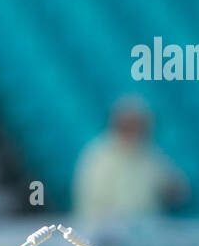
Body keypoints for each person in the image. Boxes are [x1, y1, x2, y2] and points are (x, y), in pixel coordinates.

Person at [72, 95, 187, 224]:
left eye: (138, 125)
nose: (134, 129)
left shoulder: (150, 155)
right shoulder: (98, 156)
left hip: (146, 232)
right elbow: (92, 202)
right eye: (129, 124)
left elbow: (178, 190)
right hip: (104, 233)